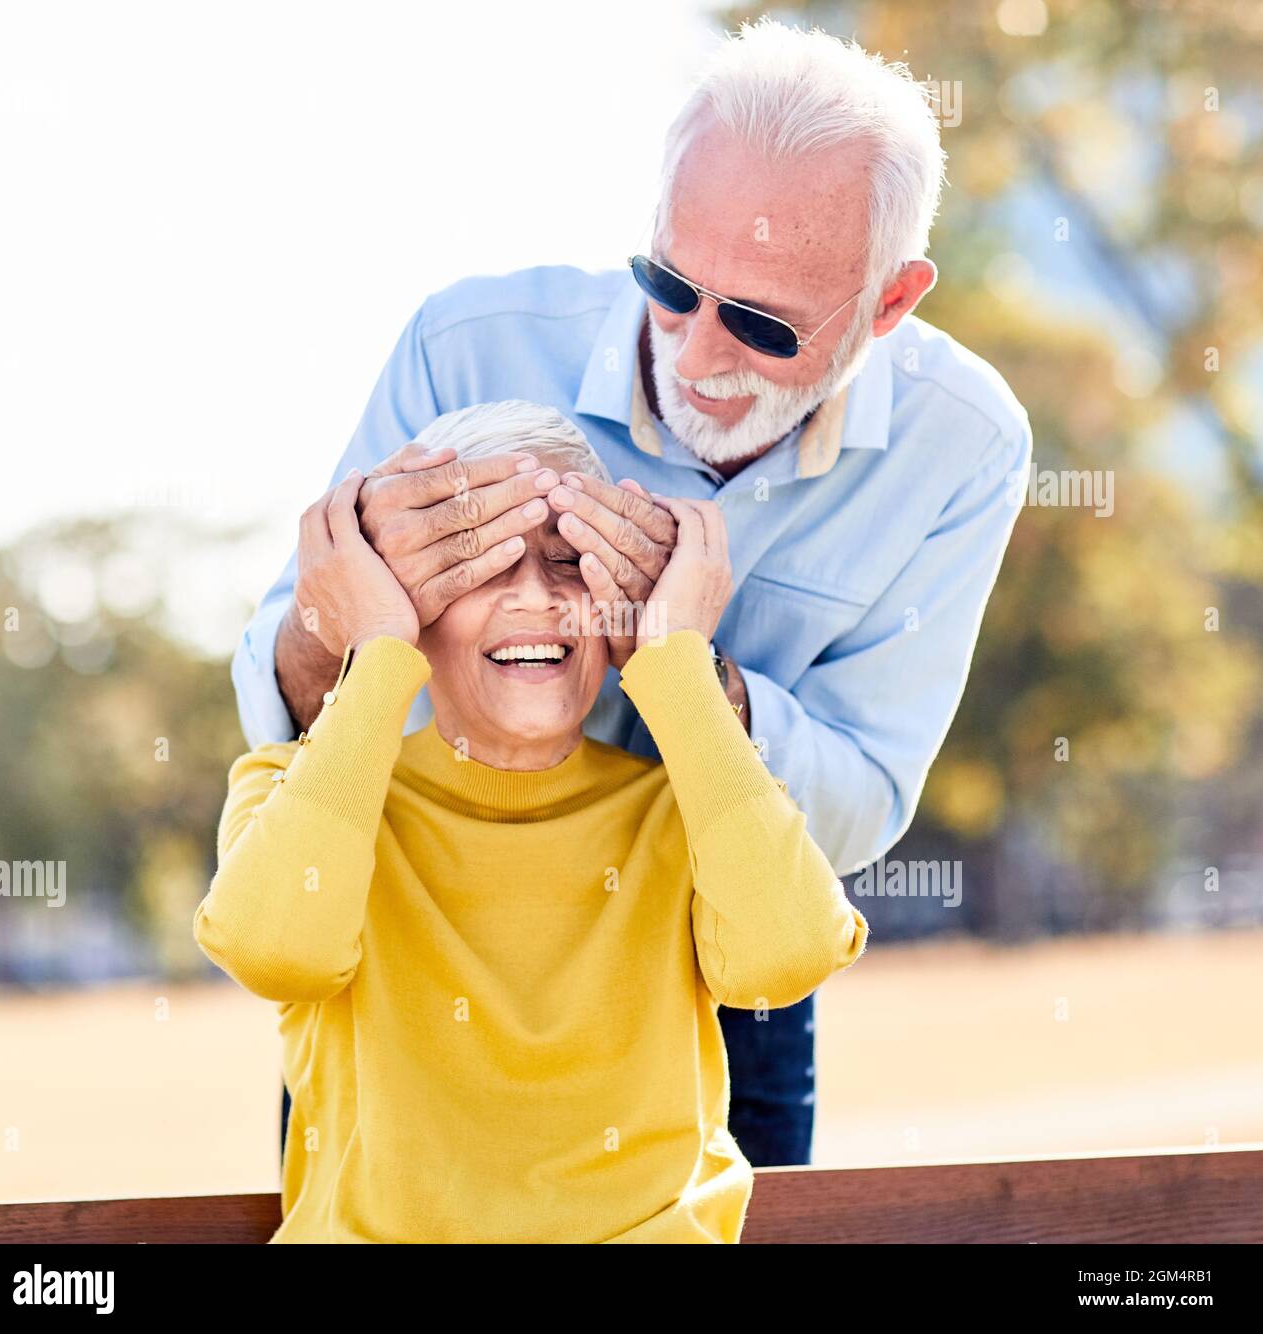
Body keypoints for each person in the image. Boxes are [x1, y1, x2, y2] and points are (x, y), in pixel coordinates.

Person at [233, 20, 1031, 1166]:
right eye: (669, 283)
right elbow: (281, 694)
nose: (697, 355)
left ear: (889, 303)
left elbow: (859, 805)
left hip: (711, 947)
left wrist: (686, 668)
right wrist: (345, 621)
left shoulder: (962, 447)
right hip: (409, 932)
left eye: (761, 325)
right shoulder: (468, 345)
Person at [195, 401, 869, 1243]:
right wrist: (375, 650)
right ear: (408, 601)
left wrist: (675, 661)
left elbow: (789, 958)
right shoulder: (304, 794)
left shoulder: (689, 806)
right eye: (479, 567)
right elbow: (273, 948)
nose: (535, 599)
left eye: (569, 564)